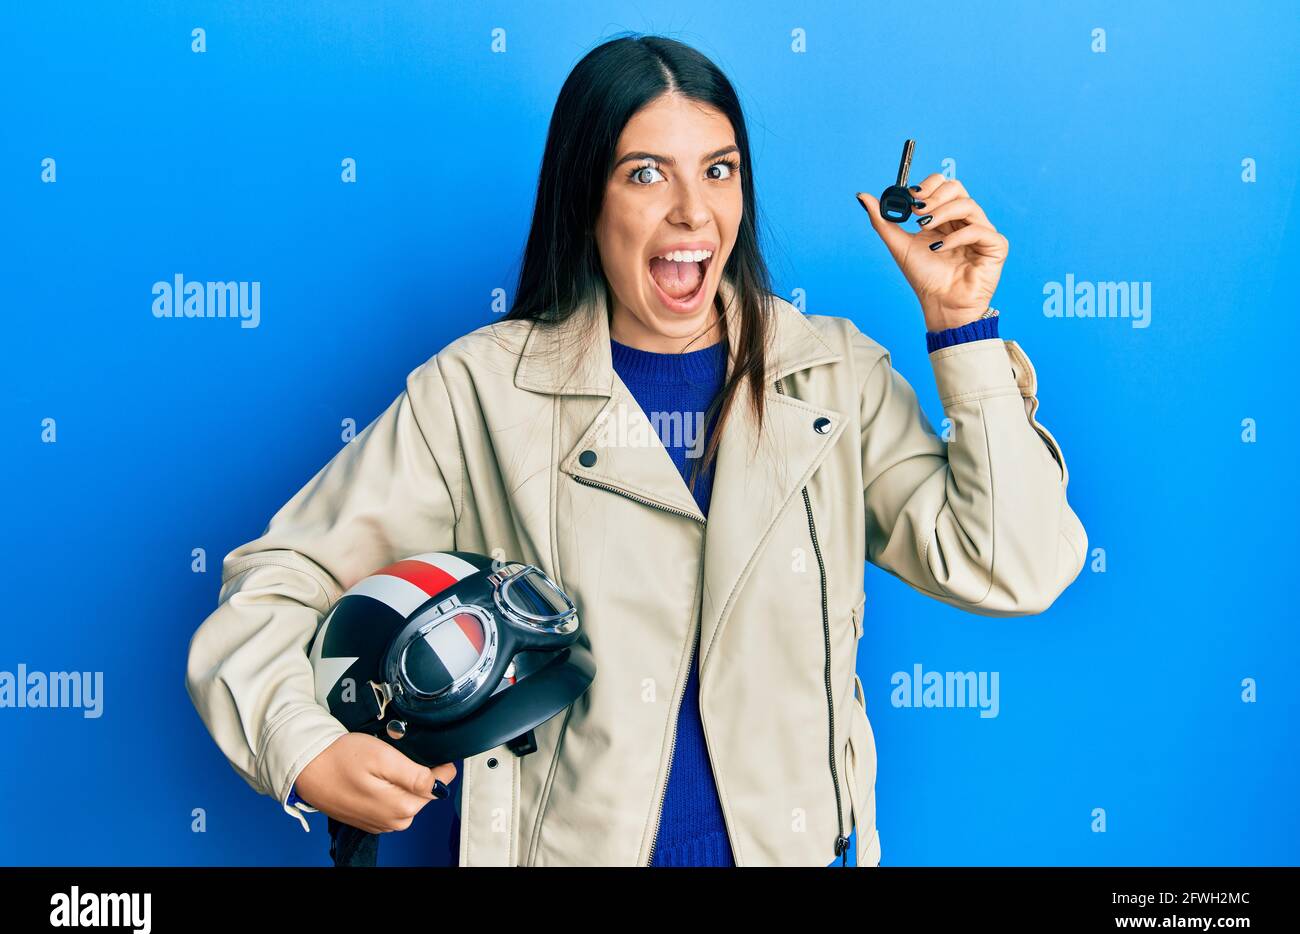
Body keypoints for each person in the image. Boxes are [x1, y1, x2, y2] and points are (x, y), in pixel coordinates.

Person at [185, 33, 1087, 867]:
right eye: (646, 173)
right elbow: (275, 581)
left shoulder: (833, 378)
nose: (693, 211)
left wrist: (963, 332)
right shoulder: (480, 394)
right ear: (587, 199)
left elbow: (1012, 566)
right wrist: (308, 749)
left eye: (720, 170)